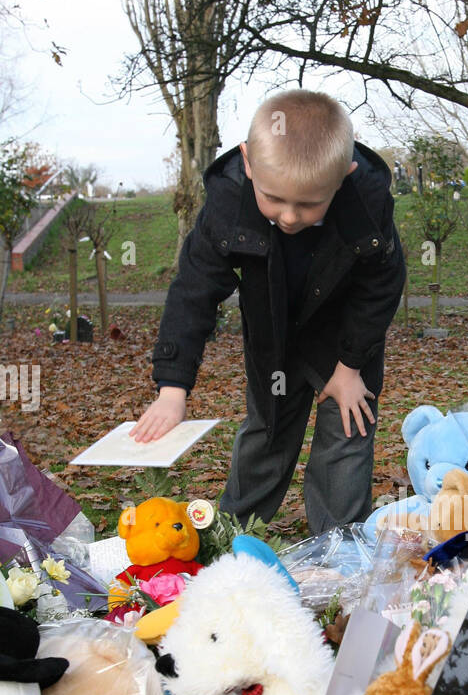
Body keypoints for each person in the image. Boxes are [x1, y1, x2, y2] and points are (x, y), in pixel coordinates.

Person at [131, 90, 405, 533]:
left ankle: (341, 546)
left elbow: (382, 285)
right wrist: (173, 386)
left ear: (344, 176)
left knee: (347, 430)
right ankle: (232, 531)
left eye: (310, 203)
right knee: (267, 430)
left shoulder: (366, 205)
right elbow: (193, 291)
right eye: (274, 198)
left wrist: (351, 365)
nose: (290, 216)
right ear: (248, 162)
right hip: (273, 334)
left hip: (348, 338)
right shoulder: (227, 205)